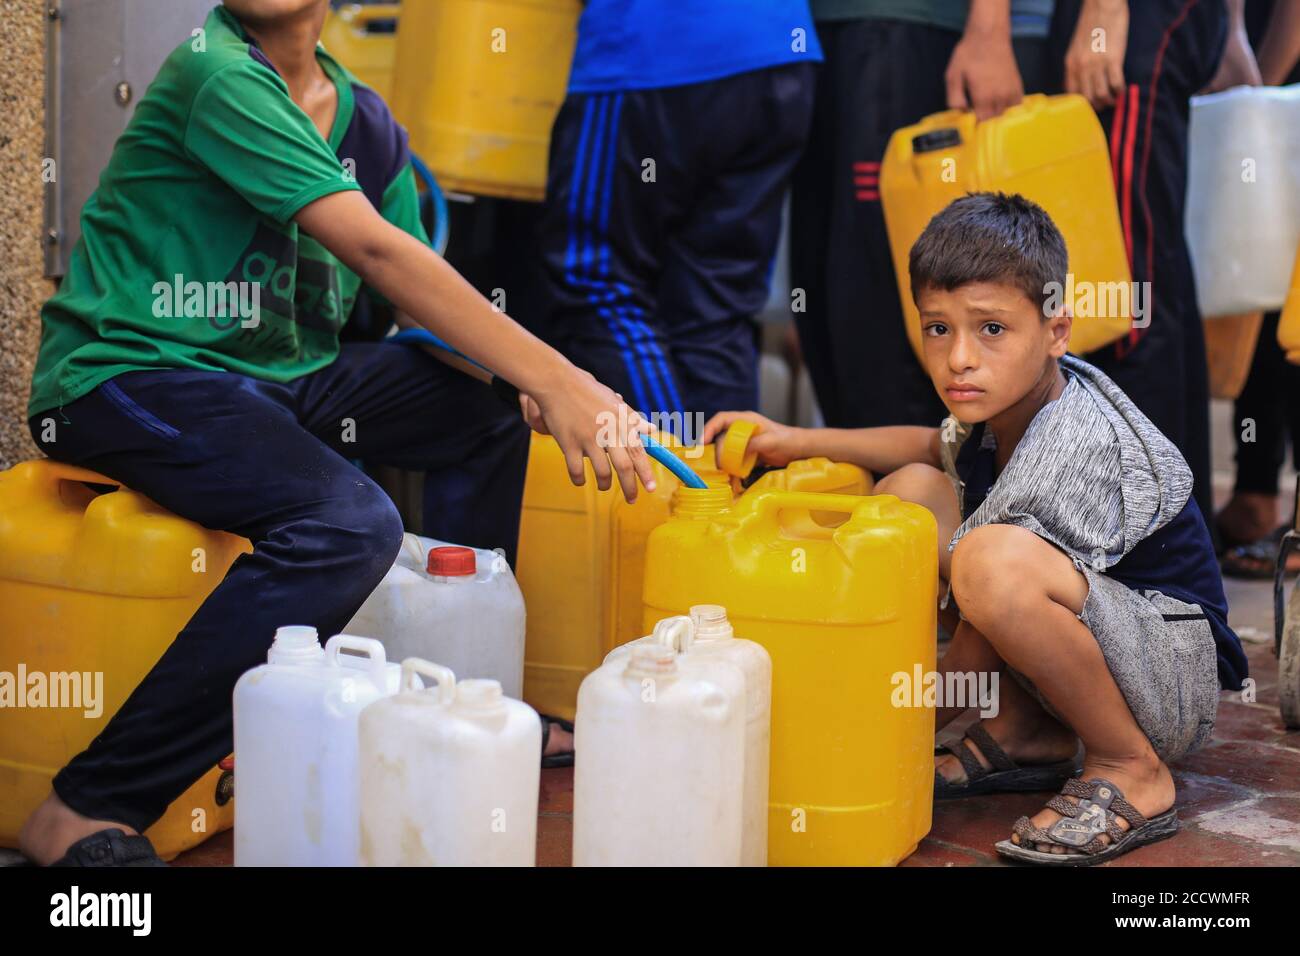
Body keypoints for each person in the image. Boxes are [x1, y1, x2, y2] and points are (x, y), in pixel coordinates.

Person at [19, 0, 655, 867]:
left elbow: (402, 303)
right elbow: (379, 254)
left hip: (280, 379)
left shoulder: (370, 125)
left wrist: (516, 379)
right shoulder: (218, 73)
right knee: (344, 527)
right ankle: (87, 805)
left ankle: (458, 701)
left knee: (476, 413)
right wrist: (561, 376)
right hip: (132, 374)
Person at [702, 193, 1247, 864]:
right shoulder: (1012, 399)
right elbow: (934, 448)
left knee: (988, 565)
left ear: (1056, 330)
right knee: (911, 495)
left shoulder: (1074, 444)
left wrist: (880, 729)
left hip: (1170, 678)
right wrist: (797, 438)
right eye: (939, 328)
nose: (959, 357)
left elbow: (981, 631)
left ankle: (1129, 766)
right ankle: (1027, 735)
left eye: (991, 329)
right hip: (1108, 639)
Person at [535, 0, 822, 440]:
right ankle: (727, 495)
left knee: (596, 280)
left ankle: (676, 484)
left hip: (654, 49)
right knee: (716, 307)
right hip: (775, 46)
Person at [790, 0, 1055, 432]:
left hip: (901, 28)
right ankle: (870, 491)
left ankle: (917, 492)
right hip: (819, 35)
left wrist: (989, 29)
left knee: (879, 302)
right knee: (822, 293)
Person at [1047, 0, 1235, 528]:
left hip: (1134, 18)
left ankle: (1145, 542)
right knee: (1150, 262)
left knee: (1125, 287)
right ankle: (1182, 540)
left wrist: (1105, 8)